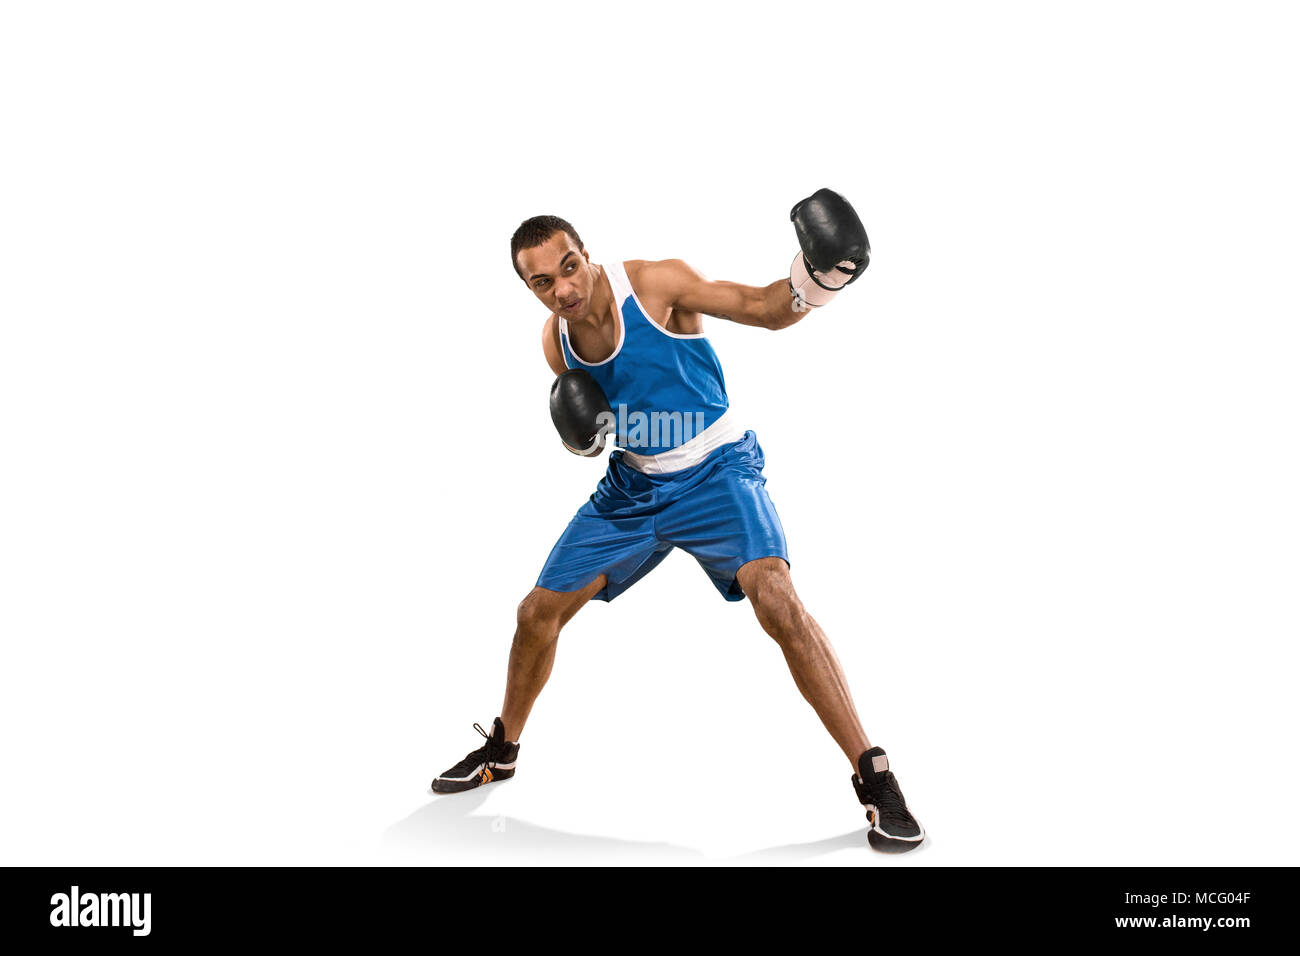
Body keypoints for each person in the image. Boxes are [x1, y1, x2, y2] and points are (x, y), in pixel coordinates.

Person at [430, 189, 925, 852]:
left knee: (777, 599)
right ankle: (503, 748)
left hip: (716, 471)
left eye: (570, 266)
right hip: (633, 489)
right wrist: (583, 439)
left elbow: (763, 308)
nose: (563, 289)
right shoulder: (557, 342)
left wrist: (820, 279)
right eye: (542, 282)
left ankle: (874, 774)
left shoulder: (657, 286)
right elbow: (603, 428)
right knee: (534, 615)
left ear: (587, 254)